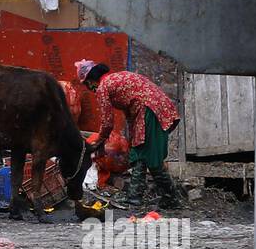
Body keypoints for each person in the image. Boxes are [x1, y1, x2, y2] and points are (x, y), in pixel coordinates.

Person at [75, 59, 187, 210]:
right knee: (140, 153)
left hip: (149, 111)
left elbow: (107, 122)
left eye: (87, 85)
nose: (90, 89)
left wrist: (98, 141)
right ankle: (135, 196)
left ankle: (171, 198)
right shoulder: (116, 78)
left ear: (90, 81)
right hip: (154, 109)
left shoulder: (103, 87)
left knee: (152, 158)